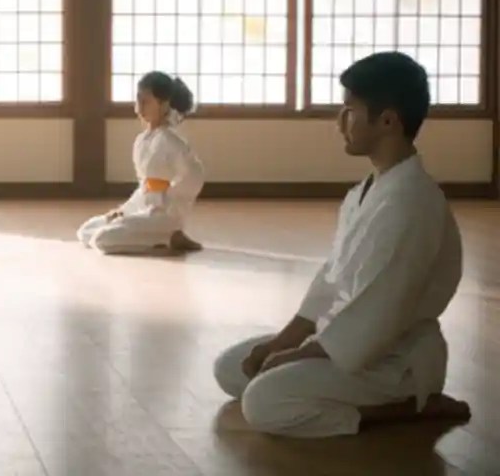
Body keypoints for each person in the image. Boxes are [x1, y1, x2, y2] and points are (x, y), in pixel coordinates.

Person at [212, 51, 471, 438]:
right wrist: (282, 344)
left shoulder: (411, 203)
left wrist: (298, 355)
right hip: (346, 344)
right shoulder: (368, 191)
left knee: (263, 401)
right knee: (232, 367)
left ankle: (406, 406)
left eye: (349, 110)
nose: (339, 122)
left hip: (392, 361)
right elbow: (329, 284)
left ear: (387, 120)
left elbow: (376, 318)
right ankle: (332, 388)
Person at [77, 71, 204, 254]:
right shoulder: (141, 141)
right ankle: (160, 237)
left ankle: (169, 235)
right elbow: (144, 187)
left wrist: (171, 202)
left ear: (163, 104)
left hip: (163, 215)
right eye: (138, 100)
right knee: (86, 231)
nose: (139, 107)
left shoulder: (171, 140)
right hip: (142, 208)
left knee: (101, 240)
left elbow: (195, 175)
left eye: (146, 102)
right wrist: (123, 210)